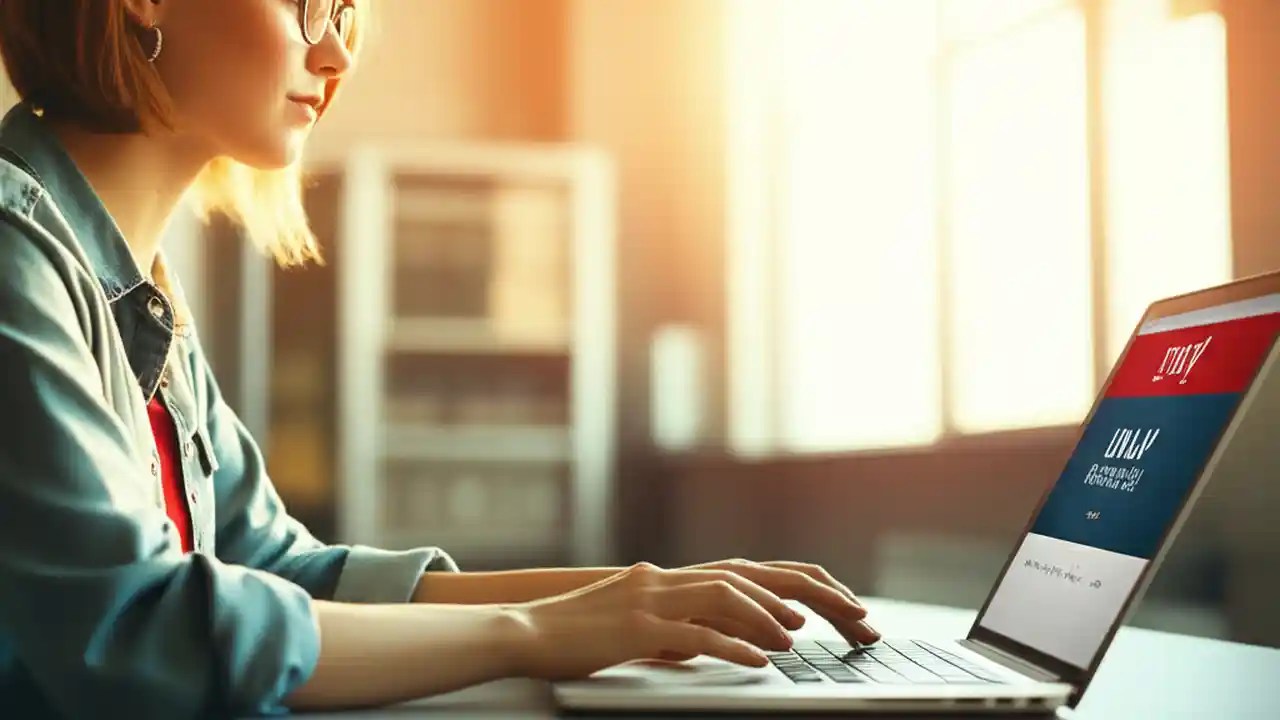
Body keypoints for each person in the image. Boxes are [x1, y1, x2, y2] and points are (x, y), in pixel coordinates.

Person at [0, 1, 880, 717]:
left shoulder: (138, 287)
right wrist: (530, 633)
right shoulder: (15, 254)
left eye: (342, 12)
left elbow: (272, 566)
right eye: (305, 5)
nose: (337, 55)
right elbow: (135, 629)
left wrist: (634, 597)